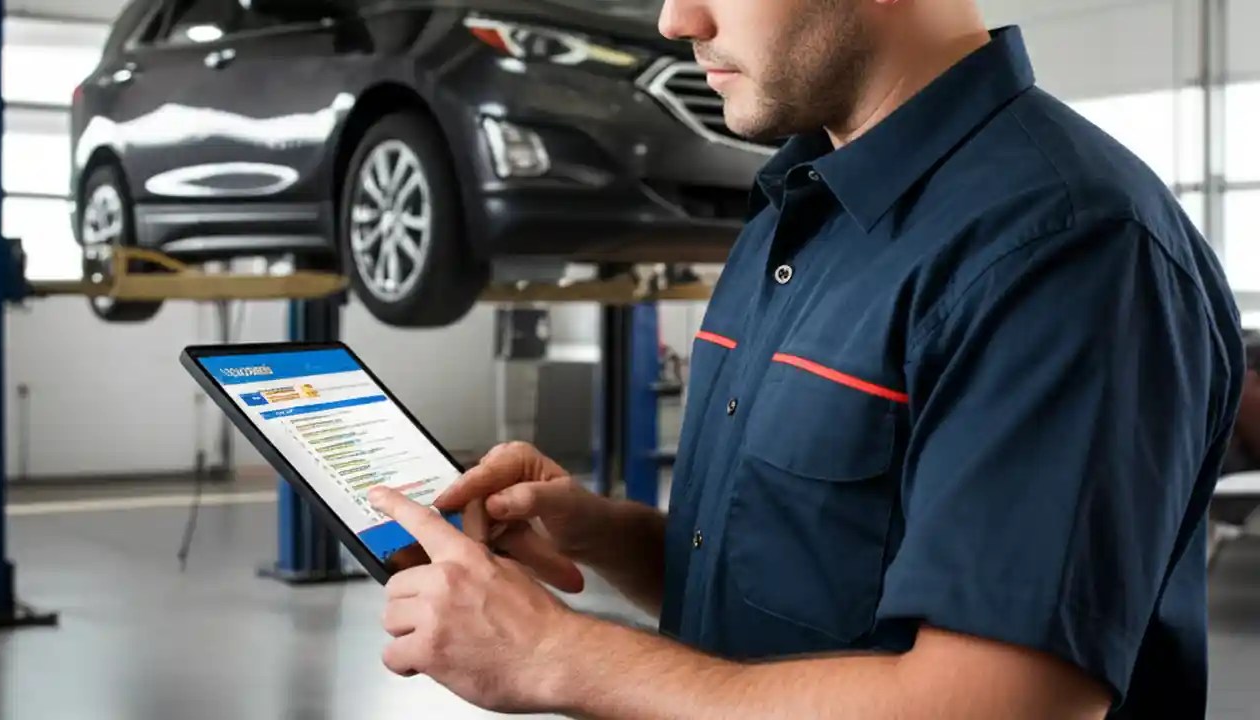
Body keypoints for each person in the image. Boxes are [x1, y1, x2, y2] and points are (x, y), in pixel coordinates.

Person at [366, 0, 1244, 717]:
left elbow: (994, 705)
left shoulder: (1066, 248)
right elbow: (809, 588)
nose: (676, 20)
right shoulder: (798, 207)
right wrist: (601, 534)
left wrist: (554, 655)